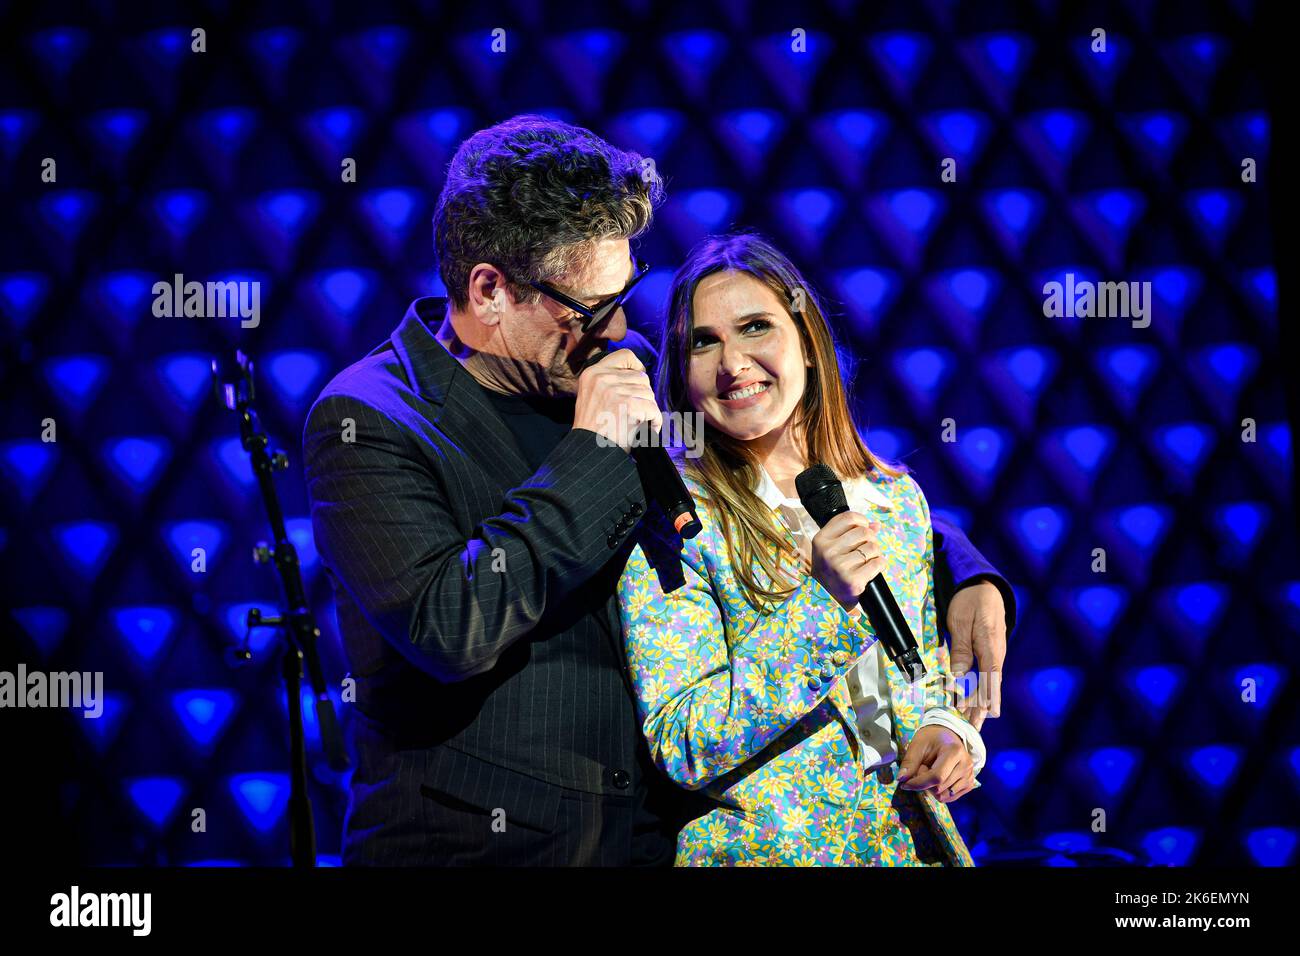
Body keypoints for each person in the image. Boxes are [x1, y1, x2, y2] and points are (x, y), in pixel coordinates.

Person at [303, 114, 1012, 866]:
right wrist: (590, 450)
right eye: (588, 309)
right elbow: (451, 628)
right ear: (489, 291)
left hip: (641, 840)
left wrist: (959, 568)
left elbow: (764, 479)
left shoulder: (608, 362)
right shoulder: (370, 420)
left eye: (624, 294)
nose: (615, 328)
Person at [617, 232, 989, 866]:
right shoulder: (673, 518)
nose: (732, 363)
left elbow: (917, 675)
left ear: (808, 345)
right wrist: (822, 604)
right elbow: (682, 742)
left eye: (755, 327)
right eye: (703, 342)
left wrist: (946, 728)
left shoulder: (894, 499)